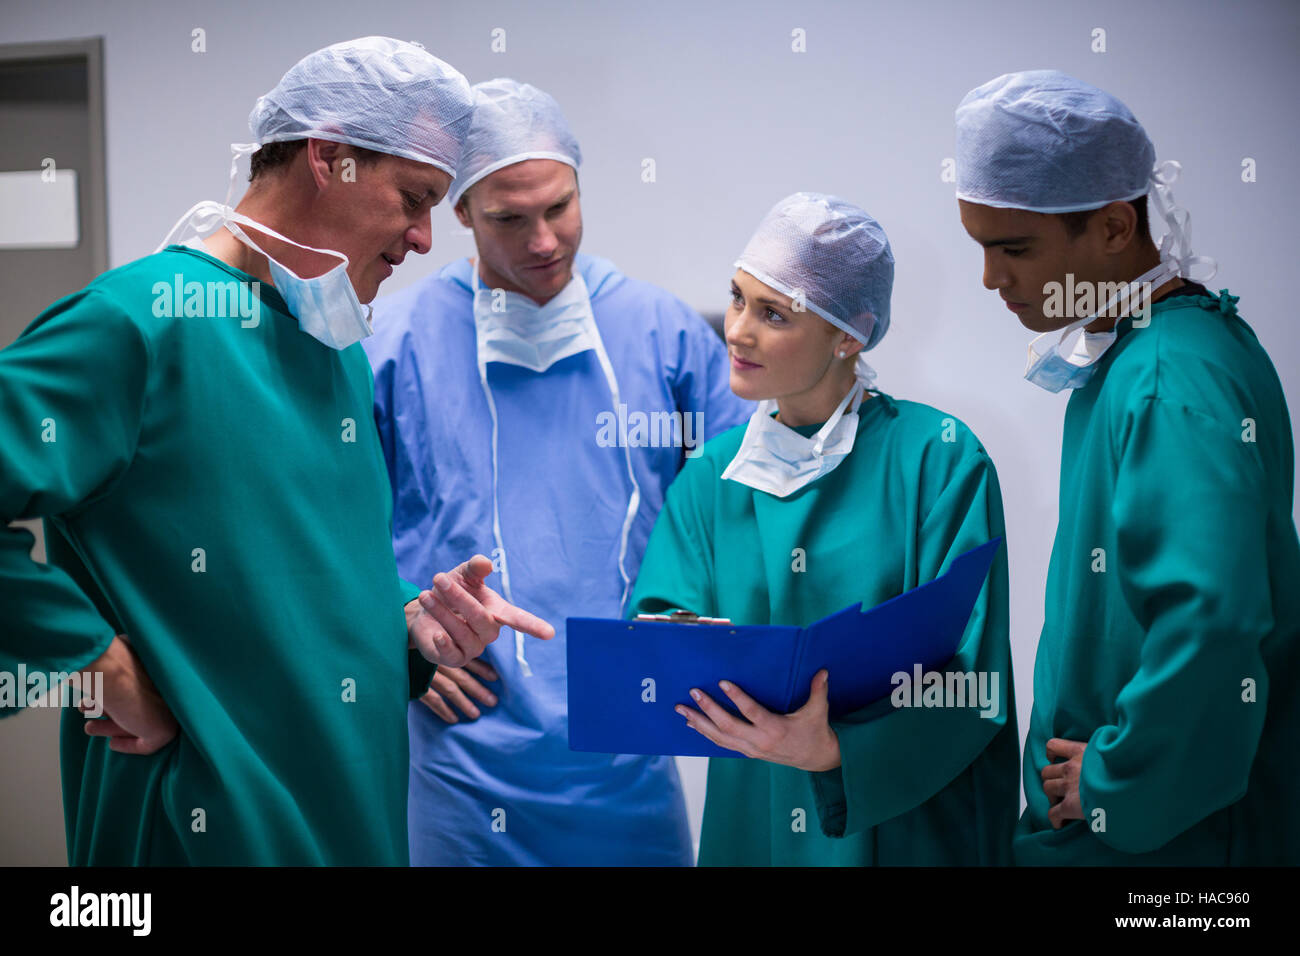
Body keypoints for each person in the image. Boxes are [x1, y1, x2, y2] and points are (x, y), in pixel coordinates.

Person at [0, 37, 552, 866]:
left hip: (347, 818)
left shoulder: (333, 348)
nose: (425, 238)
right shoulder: (140, 323)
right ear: (330, 158)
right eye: (414, 197)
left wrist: (405, 621)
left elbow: (281, 572)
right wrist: (96, 665)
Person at [364, 78, 752, 866]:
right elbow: (333, 534)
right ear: (461, 212)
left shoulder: (661, 334)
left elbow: (740, 508)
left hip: (624, 759)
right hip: (461, 759)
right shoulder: (392, 345)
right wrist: (396, 645)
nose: (545, 241)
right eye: (509, 218)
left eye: (561, 208)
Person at [955, 70, 1300, 864]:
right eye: (980, 247)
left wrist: (1119, 781)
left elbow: (1212, 621)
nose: (992, 279)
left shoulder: (1168, 379)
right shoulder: (1141, 358)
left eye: (1014, 248)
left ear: (1113, 227)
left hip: (1173, 852)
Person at [628, 193, 1019, 866]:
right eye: (738, 299)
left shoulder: (939, 457)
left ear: (849, 335)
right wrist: (674, 642)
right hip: (757, 806)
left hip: (903, 820)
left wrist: (837, 750)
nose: (738, 330)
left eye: (773, 313)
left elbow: (972, 674)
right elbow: (658, 620)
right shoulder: (713, 474)